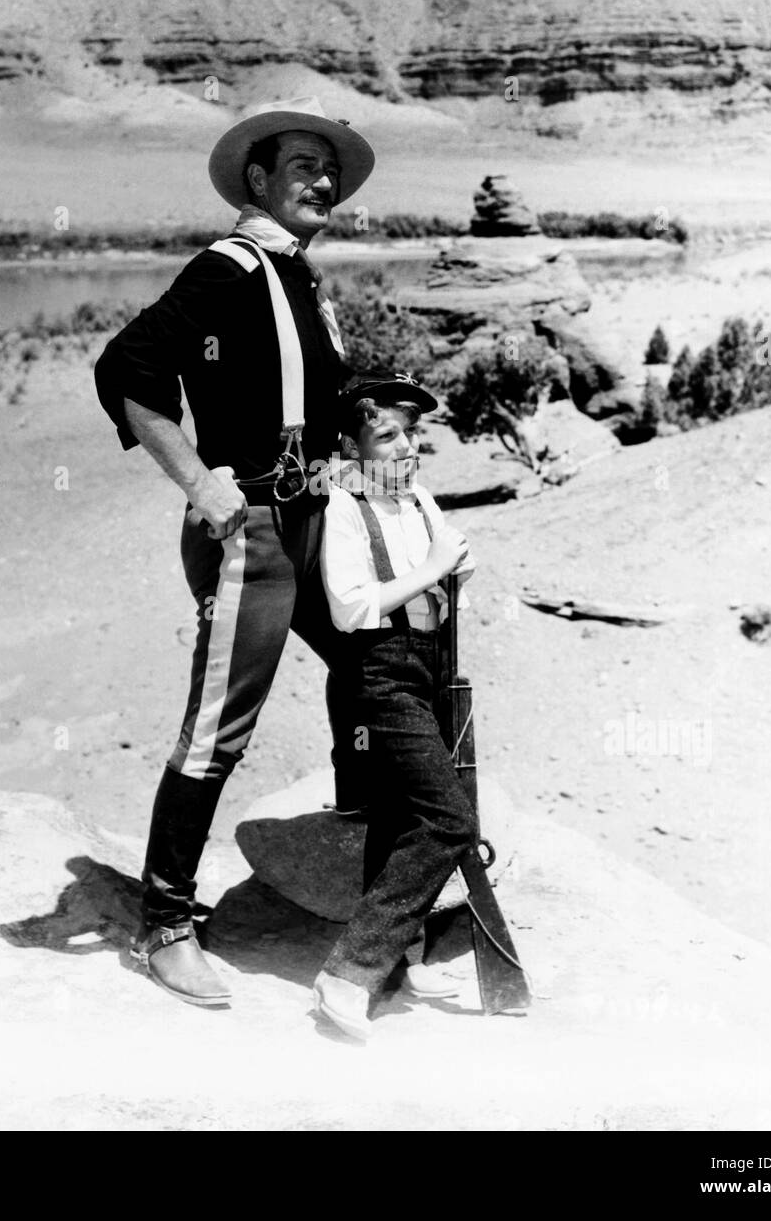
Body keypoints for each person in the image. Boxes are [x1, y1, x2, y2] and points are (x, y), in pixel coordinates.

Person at [94, 97, 374, 1008]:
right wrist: (200, 482)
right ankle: (165, 925)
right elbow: (128, 368)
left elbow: (328, 410)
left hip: (310, 522)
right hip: (249, 530)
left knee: (378, 662)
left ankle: (349, 847)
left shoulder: (299, 279)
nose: (321, 181)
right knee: (221, 728)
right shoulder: (230, 267)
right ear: (258, 179)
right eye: (302, 163)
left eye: (328, 168)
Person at [314, 371, 479, 1040]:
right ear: (352, 449)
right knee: (448, 820)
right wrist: (436, 566)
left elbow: (441, 568)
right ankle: (349, 972)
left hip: (431, 665)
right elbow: (350, 607)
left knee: (400, 820)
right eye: (387, 435)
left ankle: (395, 968)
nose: (406, 446)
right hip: (382, 676)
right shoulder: (346, 508)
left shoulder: (418, 498)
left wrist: (456, 568)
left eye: (411, 432)